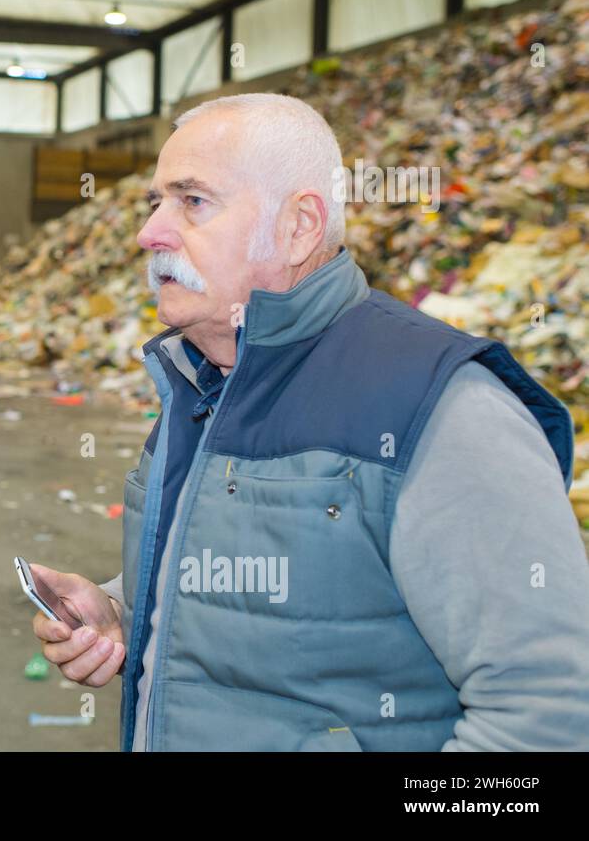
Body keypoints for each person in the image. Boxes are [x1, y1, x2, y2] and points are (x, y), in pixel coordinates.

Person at [30, 92, 589, 751]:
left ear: (298, 227)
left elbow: (552, 713)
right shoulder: (201, 382)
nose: (150, 233)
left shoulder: (442, 408)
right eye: (155, 202)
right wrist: (129, 612)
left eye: (192, 202)